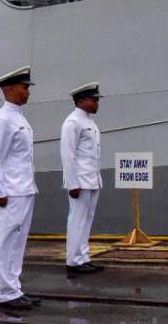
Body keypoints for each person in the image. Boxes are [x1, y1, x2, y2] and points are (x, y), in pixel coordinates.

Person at [0, 66, 39, 309]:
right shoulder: (3, 120)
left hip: (24, 189)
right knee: (6, 241)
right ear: (9, 89)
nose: (27, 91)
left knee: (18, 243)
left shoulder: (19, 117)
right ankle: (6, 292)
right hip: (9, 192)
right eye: (24, 87)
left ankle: (14, 288)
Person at [61, 82, 105, 277]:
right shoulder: (72, 122)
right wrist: (72, 183)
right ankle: (73, 260)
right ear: (80, 101)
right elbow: (67, 154)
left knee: (87, 220)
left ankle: (83, 257)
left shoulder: (90, 122)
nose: (96, 103)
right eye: (93, 100)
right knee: (77, 220)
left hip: (92, 179)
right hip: (79, 181)